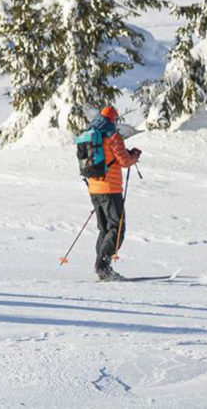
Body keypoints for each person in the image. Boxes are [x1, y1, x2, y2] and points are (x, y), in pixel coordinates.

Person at [77, 105, 140, 282]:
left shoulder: (90, 135)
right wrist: (134, 155)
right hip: (110, 188)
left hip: (94, 188)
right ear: (112, 119)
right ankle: (103, 266)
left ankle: (101, 266)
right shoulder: (112, 135)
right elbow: (125, 161)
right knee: (117, 228)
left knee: (104, 229)